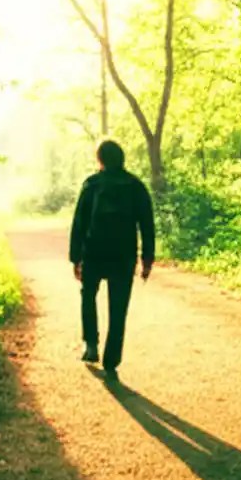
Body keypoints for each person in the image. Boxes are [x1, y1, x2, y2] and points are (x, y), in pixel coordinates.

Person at [69, 140, 155, 379]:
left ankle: (91, 344)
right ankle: (111, 358)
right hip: (123, 255)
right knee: (118, 307)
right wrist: (147, 258)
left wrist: (76, 257)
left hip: (94, 253)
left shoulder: (92, 185)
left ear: (100, 160)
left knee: (88, 296)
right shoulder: (135, 186)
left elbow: (80, 223)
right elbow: (147, 224)